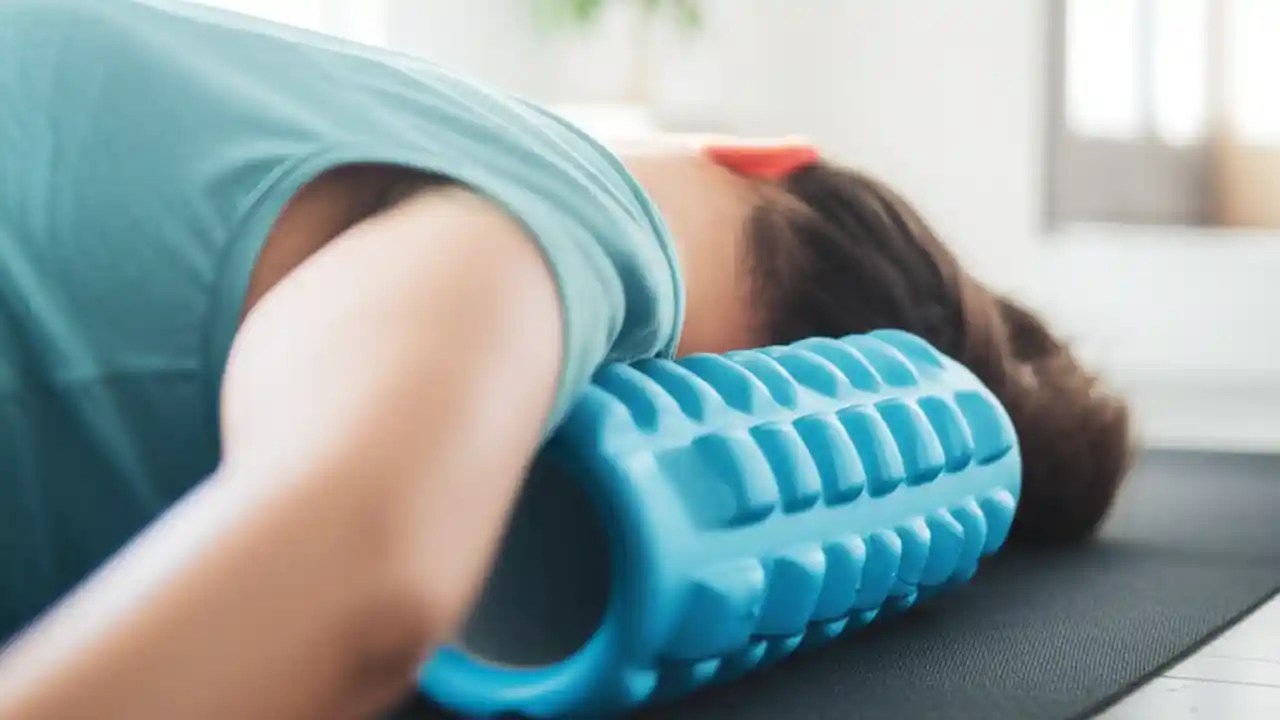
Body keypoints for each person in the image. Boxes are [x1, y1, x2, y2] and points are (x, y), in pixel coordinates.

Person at [0, 0, 1132, 717]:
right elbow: (366, 574)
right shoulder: (586, 220)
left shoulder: (584, 215)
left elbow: (359, 562)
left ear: (764, 153)